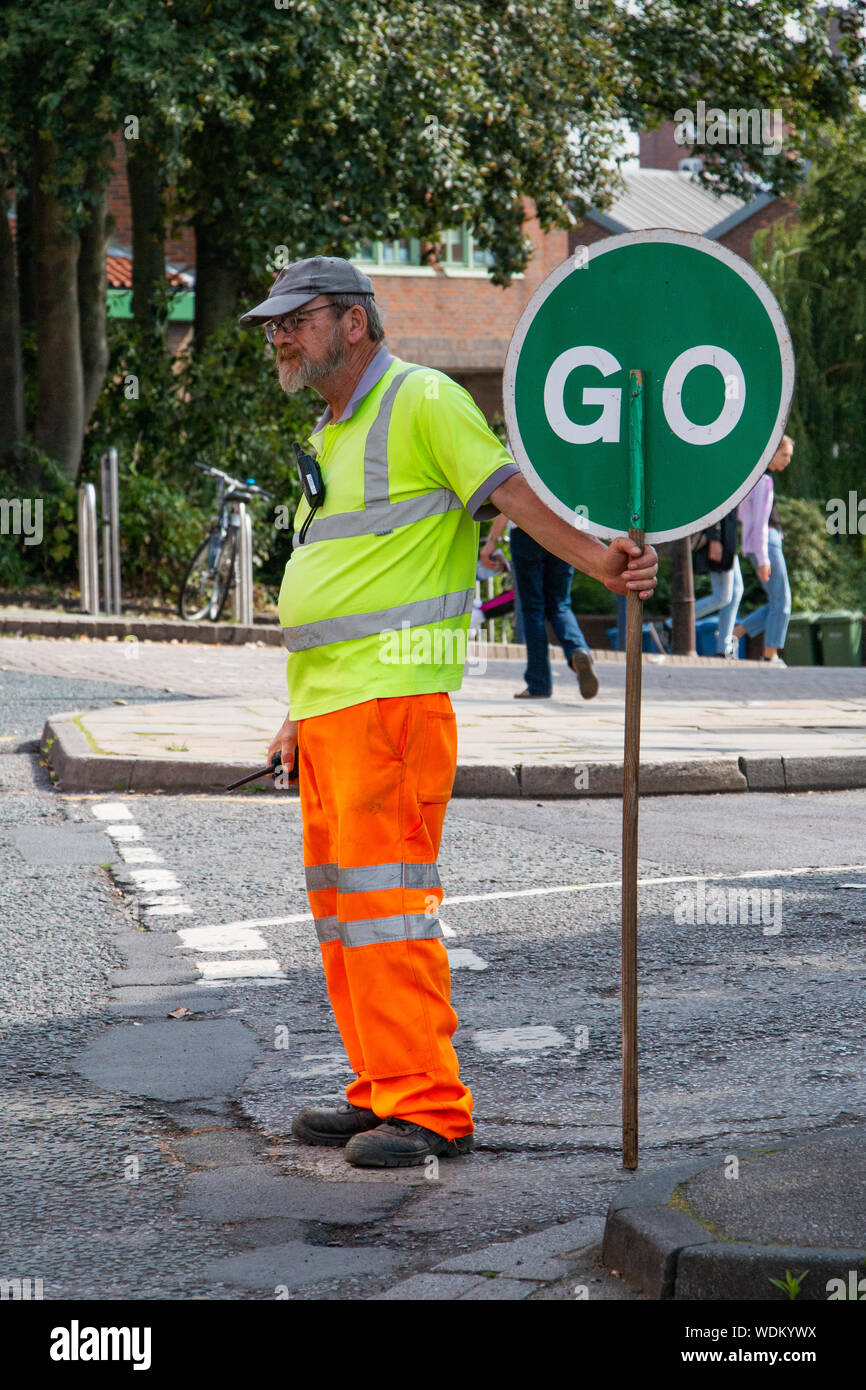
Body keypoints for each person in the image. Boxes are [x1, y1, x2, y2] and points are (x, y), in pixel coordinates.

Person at [240, 255, 658, 1169]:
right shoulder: (334, 432)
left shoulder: (423, 399)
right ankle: (382, 1086)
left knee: (389, 911)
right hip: (335, 710)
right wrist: (297, 715)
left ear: (352, 322)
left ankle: (431, 1109)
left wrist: (603, 565)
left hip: (392, 707)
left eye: (294, 319)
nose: (278, 334)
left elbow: (509, 494)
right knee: (347, 917)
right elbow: (343, 587)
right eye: (273, 323)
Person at [484, 517, 599, 700]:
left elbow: (507, 499)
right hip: (564, 530)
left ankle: (539, 684)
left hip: (527, 530)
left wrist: (491, 542)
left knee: (533, 608)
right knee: (560, 605)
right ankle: (578, 649)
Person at [733, 435, 794, 665]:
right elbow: (759, 523)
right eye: (785, 455)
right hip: (766, 544)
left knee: (778, 601)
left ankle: (738, 632)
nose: (788, 461)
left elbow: (744, 516)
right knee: (783, 600)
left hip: (760, 544)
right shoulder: (763, 481)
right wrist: (763, 559)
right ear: (772, 452)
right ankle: (770, 656)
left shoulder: (753, 479)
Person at [692, 506, 744, 658]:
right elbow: (715, 504)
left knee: (736, 592)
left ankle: (724, 649)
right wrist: (714, 538)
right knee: (723, 596)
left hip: (727, 540)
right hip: (720, 540)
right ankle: (672, 623)